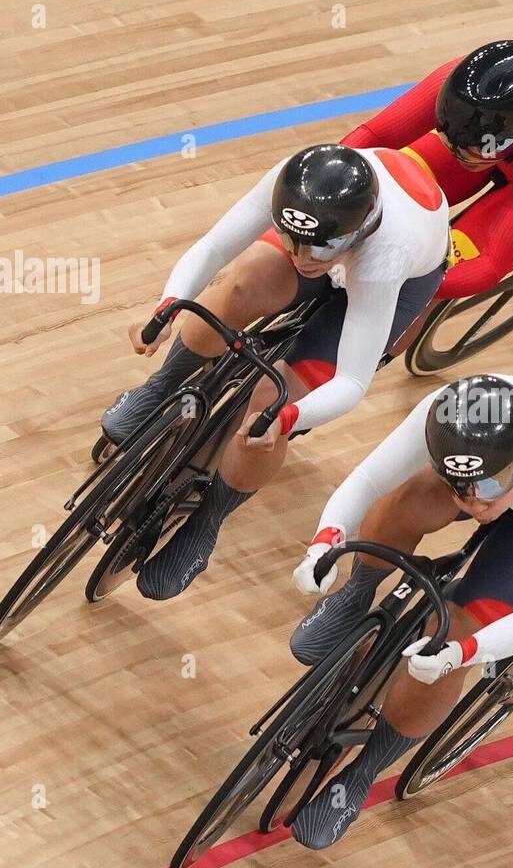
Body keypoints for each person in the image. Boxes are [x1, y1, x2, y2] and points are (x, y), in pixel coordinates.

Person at [99, 142, 450, 599]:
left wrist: (286, 419)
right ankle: (161, 386)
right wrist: (167, 306)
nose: (305, 256)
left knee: (272, 396)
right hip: (341, 233)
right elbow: (213, 247)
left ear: (360, 228)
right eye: (293, 238)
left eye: (321, 247)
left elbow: (353, 382)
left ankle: (208, 522)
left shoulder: (386, 253)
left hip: (395, 280)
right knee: (239, 288)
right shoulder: (293, 183)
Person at [284, 373, 513, 849]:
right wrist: (324, 542)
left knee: (459, 626)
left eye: (490, 485)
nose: (475, 502)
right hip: (501, 471)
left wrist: (462, 652)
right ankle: (357, 594)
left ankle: (364, 771)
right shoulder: (443, 417)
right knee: (408, 497)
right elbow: (367, 479)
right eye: (461, 487)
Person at [340, 40, 513, 299]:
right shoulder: (460, 89)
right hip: (497, 144)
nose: (458, 151)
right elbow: (373, 138)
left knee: (440, 269)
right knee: (385, 186)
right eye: (446, 134)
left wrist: (400, 281)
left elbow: (490, 265)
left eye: (472, 150)